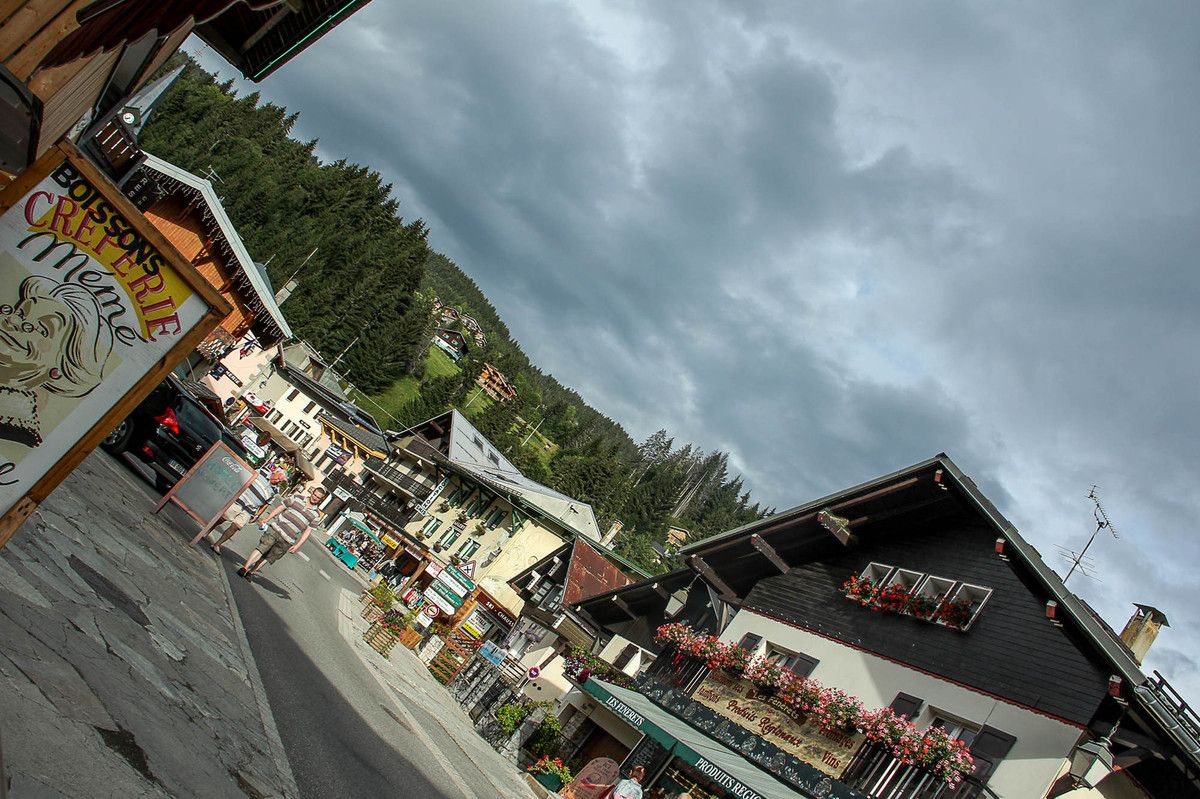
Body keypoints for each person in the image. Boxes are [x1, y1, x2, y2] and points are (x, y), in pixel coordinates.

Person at [0, 276, 113, 447]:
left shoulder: (15, 430)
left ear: (61, 368)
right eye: (20, 313)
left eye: (41, 329)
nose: (13, 321)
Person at [237, 484, 326, 581]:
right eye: (314, 495)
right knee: (262, 547)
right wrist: (267, 518)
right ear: (312, 492)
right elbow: (281, 507)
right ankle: (245, 568)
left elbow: (308, 531)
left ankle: (251, 572)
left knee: (270, 556)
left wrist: (297, 545)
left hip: (288, 539)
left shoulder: (316, 515)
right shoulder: (297, 498)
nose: (315, 498)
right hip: (276, 528)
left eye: (318, 497)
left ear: (321, 500)